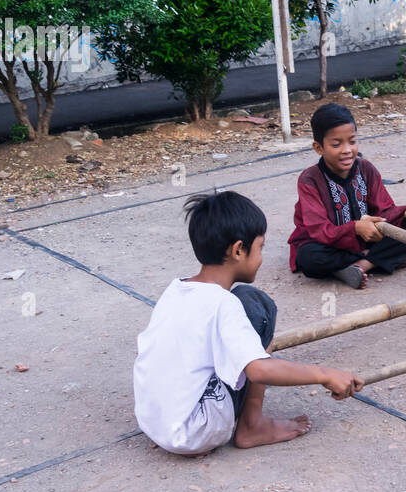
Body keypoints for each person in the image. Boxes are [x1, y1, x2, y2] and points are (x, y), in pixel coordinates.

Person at [134, 191, 362, 456]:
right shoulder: (223, 304)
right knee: (255, 304)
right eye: (260, 247)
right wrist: (325, 373)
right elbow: (259, 371)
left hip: (155, 421)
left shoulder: (175, 289)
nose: (262, 257)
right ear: (238, 250)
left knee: (238, 310)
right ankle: (252, 426)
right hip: (195, 430)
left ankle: (179, 421)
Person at [288, 102, 406, 289]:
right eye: (336, 144)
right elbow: (318, 229)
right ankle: (377, 259)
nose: (347, 150)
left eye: (352, 141)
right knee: (308, 257)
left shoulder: (366, 168)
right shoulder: (309, 179)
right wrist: (355, 228)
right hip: (328, 243)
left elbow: (385, 210)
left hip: (369, 239)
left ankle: (360, 266)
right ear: (318, 148)